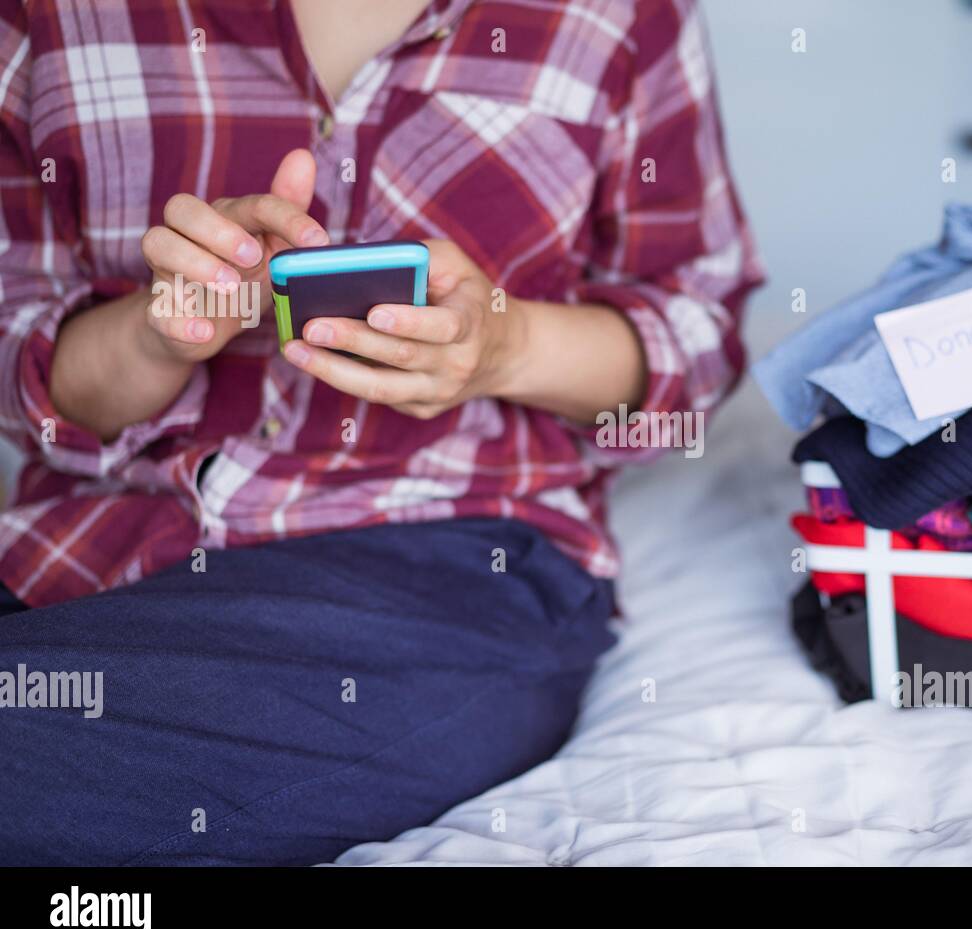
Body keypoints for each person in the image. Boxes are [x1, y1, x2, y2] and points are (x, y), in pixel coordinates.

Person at [0, 0, 761, 865]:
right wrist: (152, 334)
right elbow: (17, 350)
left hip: (447, 561)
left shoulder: (620, 16)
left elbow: (698, 336)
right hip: (70, 550)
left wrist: (505, 350)